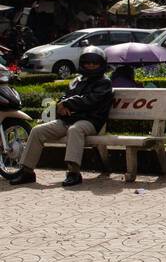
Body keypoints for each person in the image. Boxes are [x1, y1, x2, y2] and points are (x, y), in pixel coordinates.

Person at [3, 46, 113, 187]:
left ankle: (73, 173)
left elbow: (90, 101)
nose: (90, 66)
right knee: (38, 131)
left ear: (101, 64)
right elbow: (66, 96)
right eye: (87, 63)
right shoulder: (78, 80)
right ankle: (27, 172)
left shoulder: (104, 82)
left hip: (90, 121)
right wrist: (61, 104)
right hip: (69, 120)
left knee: (75, 130)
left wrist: (67, 103)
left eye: (95, 63)